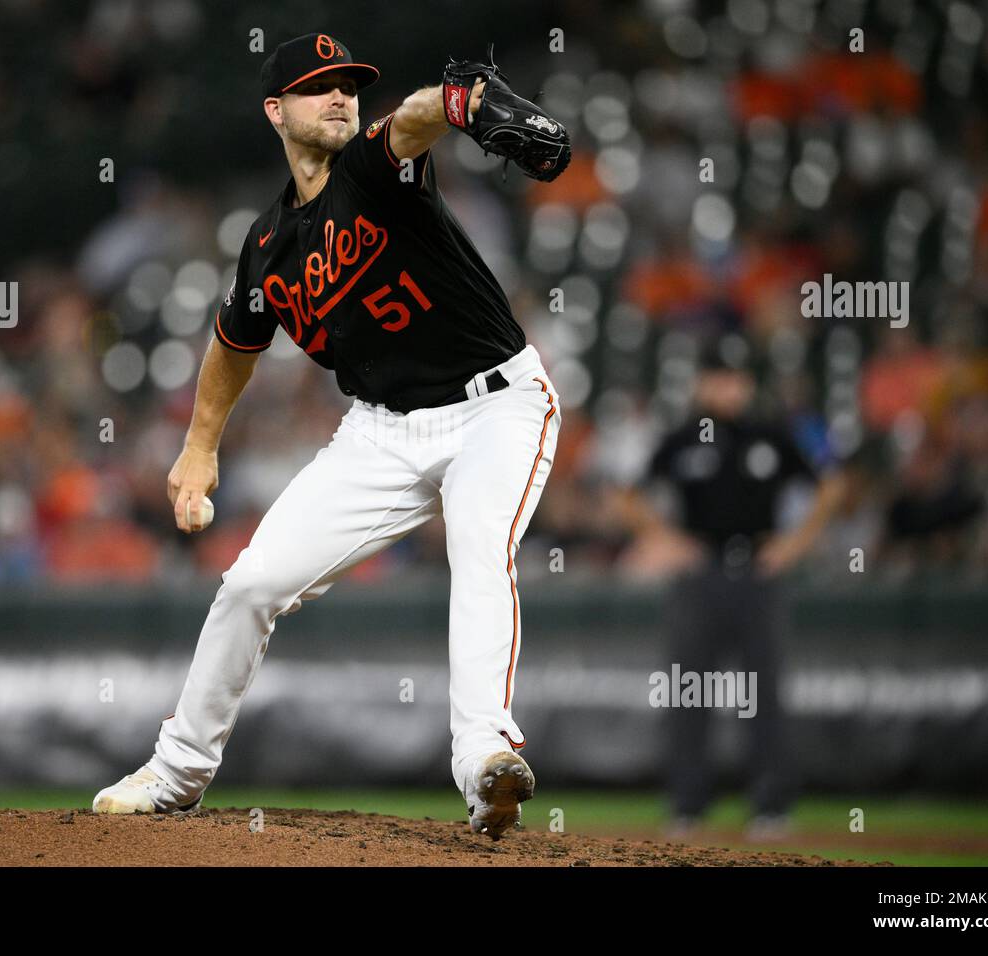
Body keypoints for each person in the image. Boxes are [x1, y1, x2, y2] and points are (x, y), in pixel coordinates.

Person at [92, 33, 567, 839]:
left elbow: (412, 120)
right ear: (277, 111)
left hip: (496, 406)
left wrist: (459, 105)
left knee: (480, 545)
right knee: (249, 585)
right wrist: (200, 445)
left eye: (348, 84)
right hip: (381, 433)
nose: (341, 97)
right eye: (320, 88)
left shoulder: (373, 170)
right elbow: (234, 343)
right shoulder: (268, 241)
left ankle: (484, 759)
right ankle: (177, 772)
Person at [614, 335, 847, 838]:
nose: (728, 389)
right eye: (719, 378)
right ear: (701, 382)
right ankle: (688, 805)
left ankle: (771, 806)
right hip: (698, 575)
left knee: (764, 693)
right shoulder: (681, 437)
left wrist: (793, 545)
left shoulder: (770, 433)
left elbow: (831, 485)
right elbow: (628, 495)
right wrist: (666, 540)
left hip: (758, 574)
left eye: (737, 379)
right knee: (689, 692)